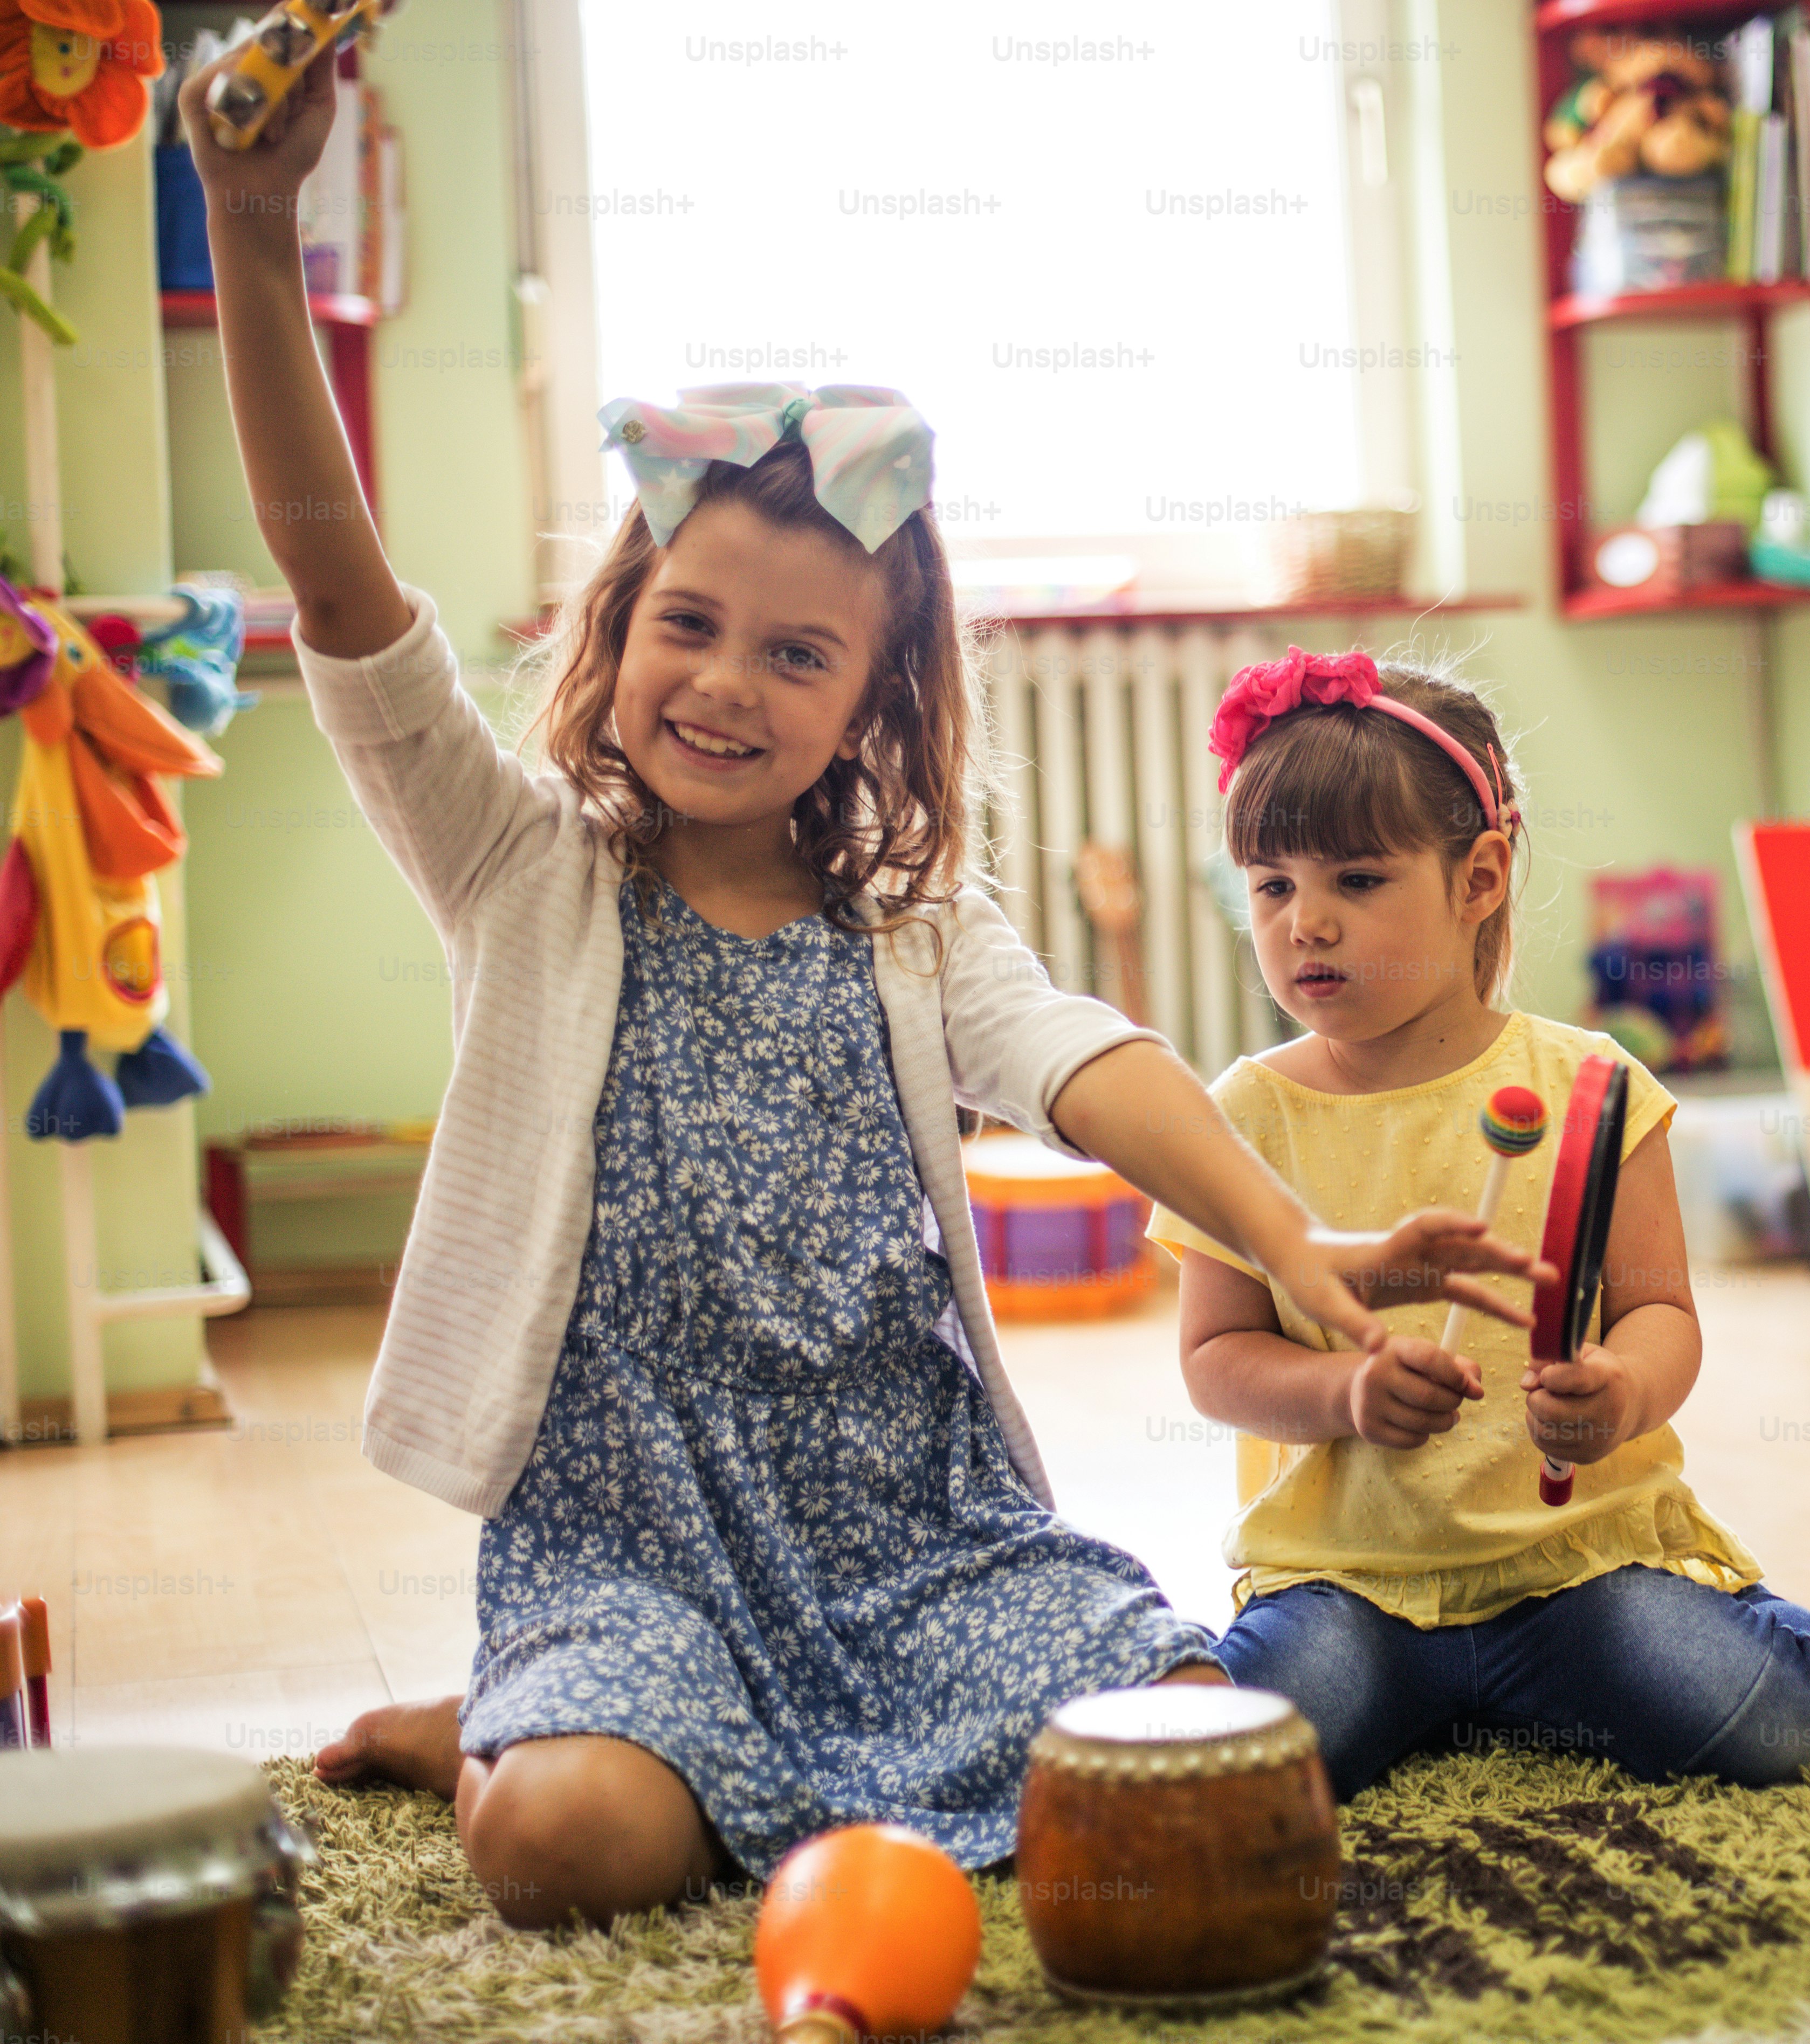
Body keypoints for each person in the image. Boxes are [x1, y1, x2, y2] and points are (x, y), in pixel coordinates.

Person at [182, 60, 1533, 1924]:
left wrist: (1285, 1232)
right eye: (690, 626)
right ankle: (497, 1720)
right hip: (626, 1547)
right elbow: (342, 598)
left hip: (913, 1532)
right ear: (619, 628)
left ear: (867, 704)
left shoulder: (906, 908)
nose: (727, 684)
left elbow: (1081, 1059)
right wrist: (254, 234)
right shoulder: (518, 864)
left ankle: (622, 1733)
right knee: (574, 1856)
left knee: (1215, 1736)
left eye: (797, 653)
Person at [1148, 648, 1810, 1800]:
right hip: (1348, 1585)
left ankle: (1556, 1677)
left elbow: (1661, 1310)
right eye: (1272, 887)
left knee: (1768, 1720)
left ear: (1480, 877)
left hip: (1576, 1574)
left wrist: (1621, 1392)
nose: (1305, 925)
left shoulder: (1595, 1085)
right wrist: (1342, 1396)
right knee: (1237, 1768)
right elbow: (1216, 1361)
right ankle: (1444, 1701)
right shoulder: (1240, 1116)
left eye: (1357, 882)